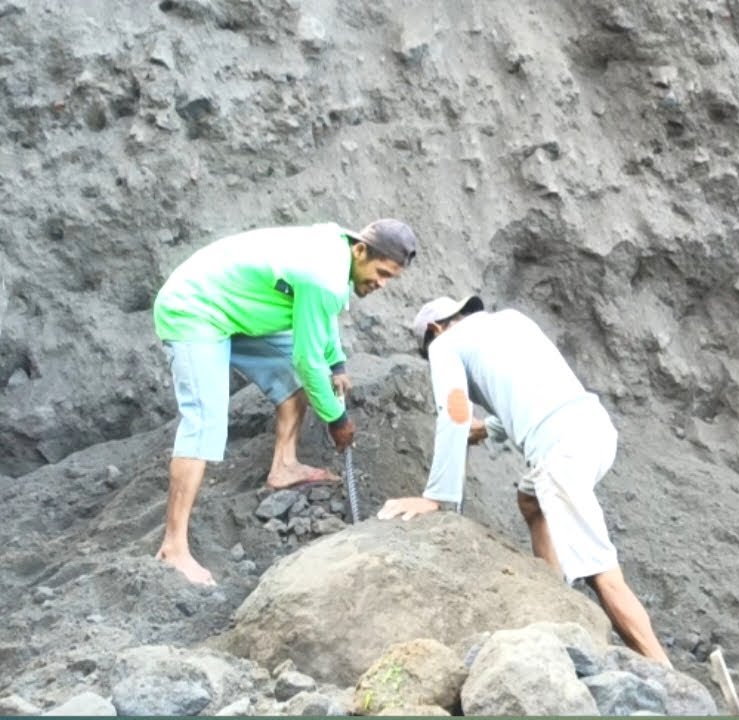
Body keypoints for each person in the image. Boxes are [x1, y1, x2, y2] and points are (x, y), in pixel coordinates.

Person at [377, 296, 671, 665]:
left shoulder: (445, 344)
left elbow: (452, 413)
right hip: (595, 429)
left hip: (560, 452)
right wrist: (484, 430)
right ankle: (551, 591)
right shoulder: (513, 322)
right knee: (530, 500)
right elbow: (534, 397)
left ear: (435, 329)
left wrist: (436, 497)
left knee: (601, 573)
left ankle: (667, 674)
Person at [152, 219, 418, 586]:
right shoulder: (323, 275)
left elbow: (320, 318)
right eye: (382, 272)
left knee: (293, 381)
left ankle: (284, 466)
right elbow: (308, 360)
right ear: (360, 250)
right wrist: (336, 419)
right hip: (196, 306)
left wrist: (337, 362)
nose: (382, 283)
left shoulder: (337, 254)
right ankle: (173, 548)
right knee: (205, 422)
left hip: (237, 307)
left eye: (392, 278)